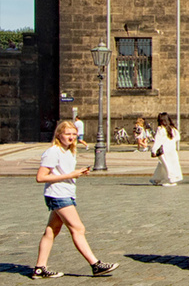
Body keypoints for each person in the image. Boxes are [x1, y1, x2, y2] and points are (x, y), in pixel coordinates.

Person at [33, 119, 117, 279]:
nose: (71, 137)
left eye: (74, 134)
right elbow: (40, 177)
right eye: (67, 134)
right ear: (59, 135)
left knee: (52, 231)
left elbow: (61, 172)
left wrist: (77, 173)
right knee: (78, 229)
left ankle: (39, 268)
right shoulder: (53, 151)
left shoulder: (68, 151)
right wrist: (71, 175)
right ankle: (95, 265)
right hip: (58, 195)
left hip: (66, 193)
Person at [149, 112, 182, 187]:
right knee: (163, 165)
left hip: (164, 150)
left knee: (167, 165)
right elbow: (178, 138)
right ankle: (156, 179)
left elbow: (158, 140)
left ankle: (171, 180)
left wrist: (153, 150)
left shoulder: (160, 129)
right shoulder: (173, 128)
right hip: (172, 149)